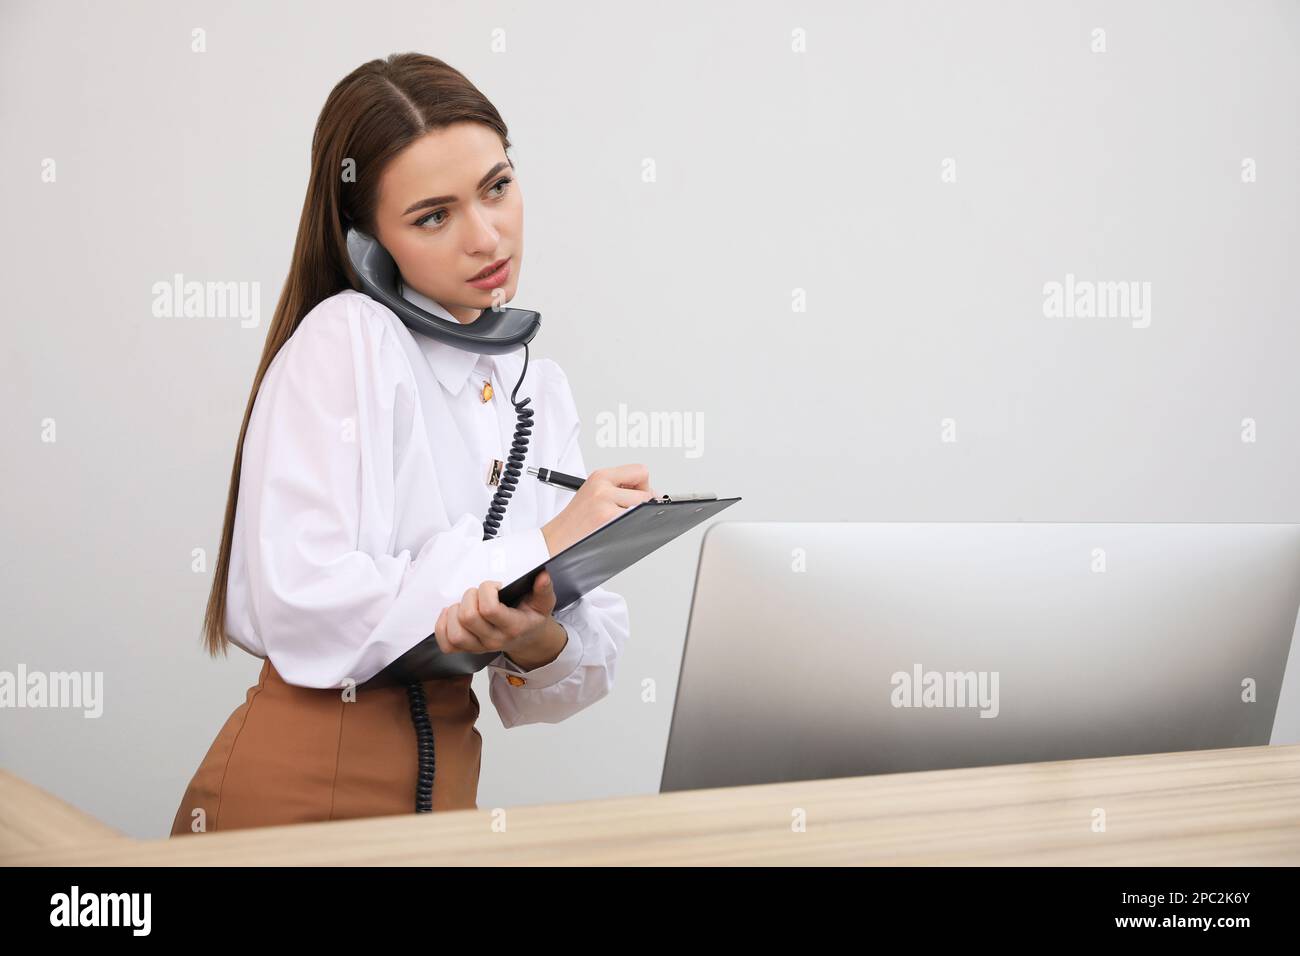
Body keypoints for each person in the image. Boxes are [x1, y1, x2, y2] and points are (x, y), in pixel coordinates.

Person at [170, 52, 654, 836]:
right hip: (303, 799)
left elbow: (579, 674)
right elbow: (306, 602)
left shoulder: (536, 384)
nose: (486, 235)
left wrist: (537, 639)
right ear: (368, 247)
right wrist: (543, 544)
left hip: (445, 802)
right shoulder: (347, 339)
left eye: (497, 187)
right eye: (434, 216)